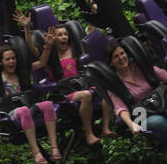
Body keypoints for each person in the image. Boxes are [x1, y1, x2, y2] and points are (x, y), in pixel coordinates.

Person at [19, 10, 112, 146]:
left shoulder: (73, 50)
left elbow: (90, 34)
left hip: (80, 86)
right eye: (59, 35)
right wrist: (27, 28)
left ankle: (106, 128)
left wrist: (92, 13)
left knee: (105, 88)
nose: (64, 38)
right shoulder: (48, 54)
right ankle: (89, 134)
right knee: (86, 95)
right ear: (53, 37)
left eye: (65, 34)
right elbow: (32, 49)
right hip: (63, 93)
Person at [0, 44, 61, 164]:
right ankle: (36, 153)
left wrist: (47, 47)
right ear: (1, 62)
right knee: (23, 110)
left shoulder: (21, 73)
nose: (11, 61)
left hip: (27, 106)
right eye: (8, 59)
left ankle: (54, 148)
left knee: (47, 105)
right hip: (10, 112)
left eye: (13, 58)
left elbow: (41, 62)